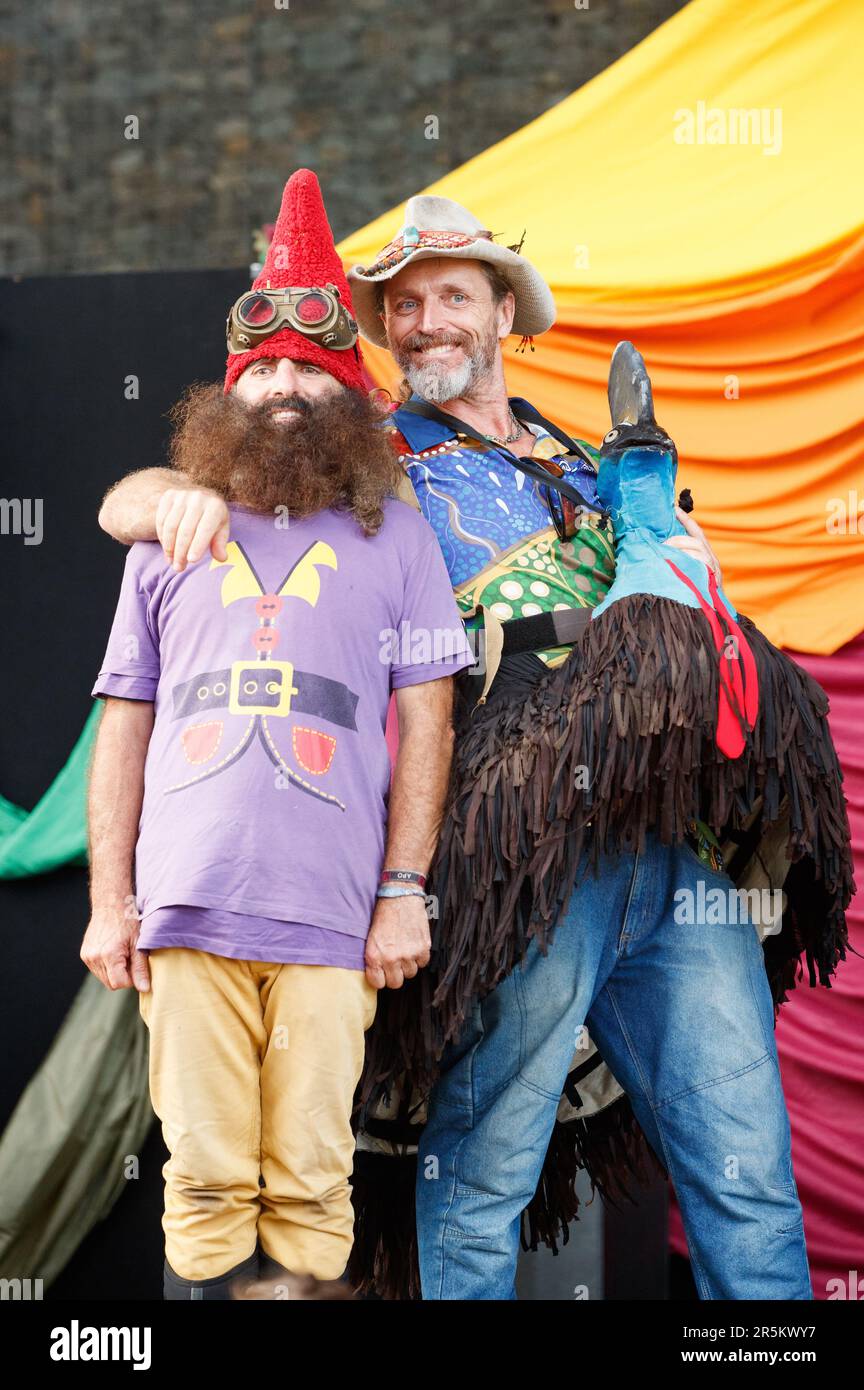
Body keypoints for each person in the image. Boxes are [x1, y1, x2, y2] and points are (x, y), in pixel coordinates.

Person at [97, 186, 851, 1302]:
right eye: (399, 306)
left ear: (506, 316)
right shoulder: (361, 471)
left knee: (746, 1170)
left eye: (452, 296)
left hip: (672, 858)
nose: (422, 322)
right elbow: (183, 488)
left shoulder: (582, 457)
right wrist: (159, 500)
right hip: (524, 868)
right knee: (481, 1177)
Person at [82, 169, 474, 1300]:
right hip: (188, 908)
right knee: (200, 1178)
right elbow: (124, 724)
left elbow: (426, 715)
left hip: (328, 916)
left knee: (311, 1178)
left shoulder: (397, 538)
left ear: (351, 393)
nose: (290, 387)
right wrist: (112, 900)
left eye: (315, 366)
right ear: (229, 397)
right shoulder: (165, 533)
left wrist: (405, 887)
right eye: (267, 373)